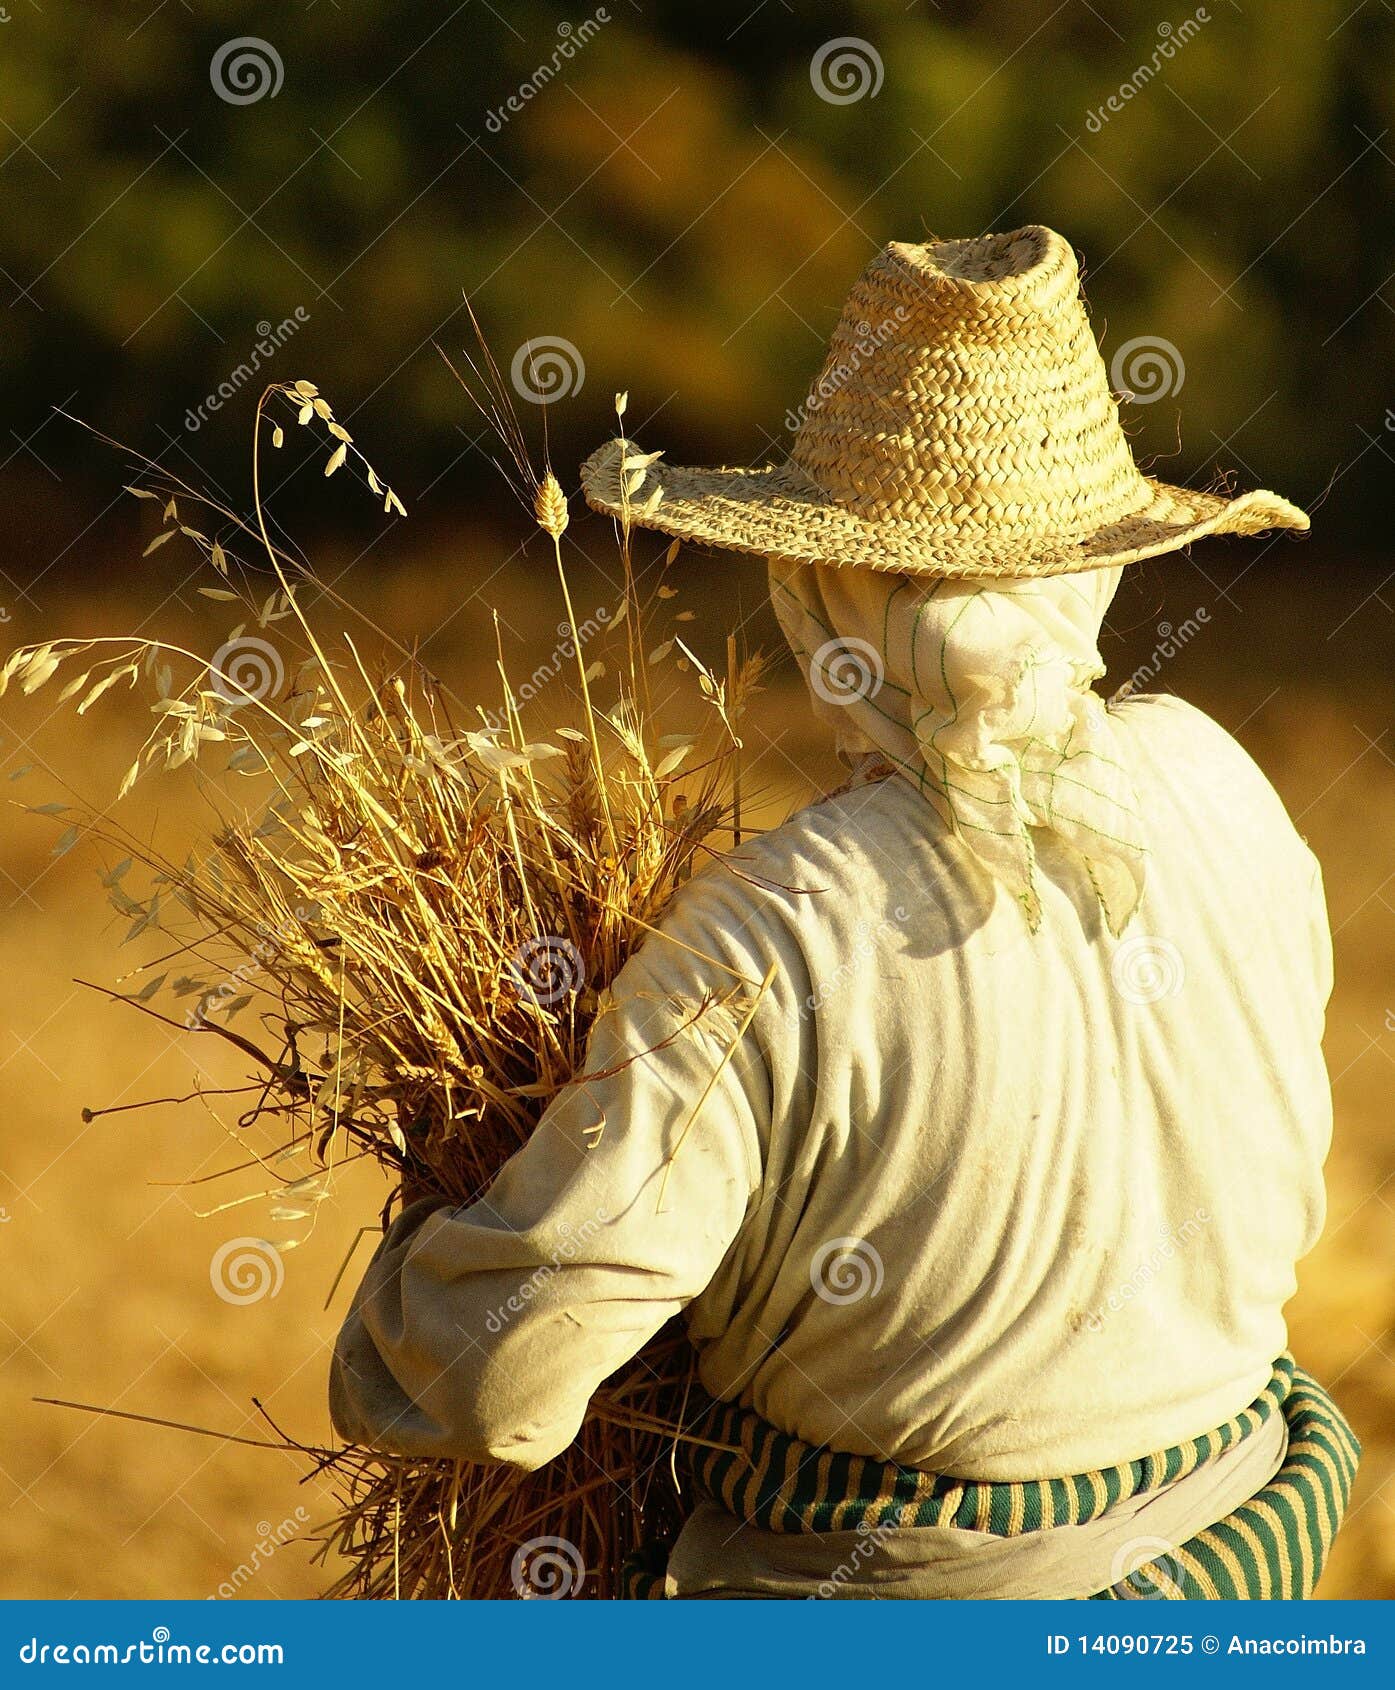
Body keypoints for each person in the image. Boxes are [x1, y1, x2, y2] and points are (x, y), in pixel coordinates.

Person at [331, 225, 1358, 1599]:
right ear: (1090, 570)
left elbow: (504, 1379)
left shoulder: (767, 936)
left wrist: (421, 1265)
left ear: (820, 591)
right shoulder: (1223, 783)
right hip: (1245, 1564)